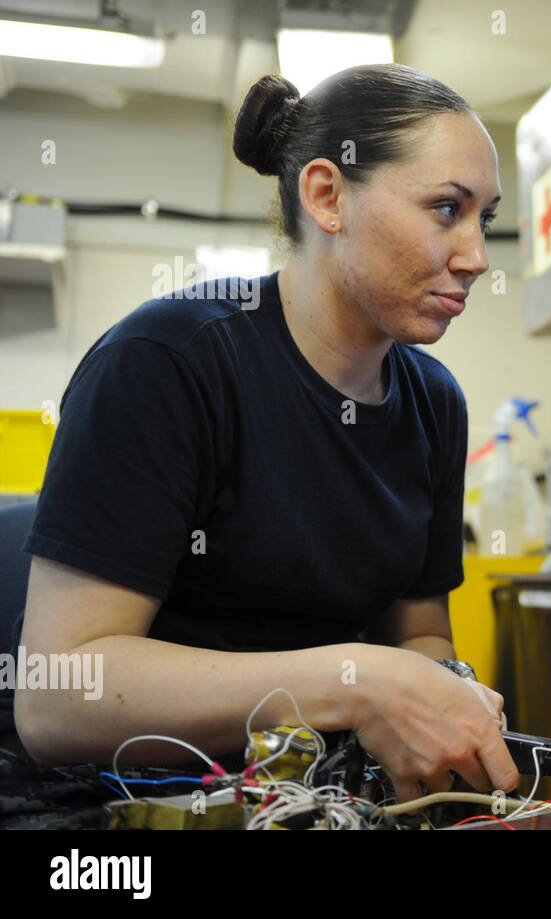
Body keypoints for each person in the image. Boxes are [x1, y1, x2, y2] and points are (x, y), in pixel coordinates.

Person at [12, 63, 519, 804]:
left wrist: (443, 690)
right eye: (447, 208)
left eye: (487, 219)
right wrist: (359, 683)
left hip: (317, 793)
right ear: (327, 196)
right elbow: (56, 701)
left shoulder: (434, 402)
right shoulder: (169, 363)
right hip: (129, 796)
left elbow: (418, 635)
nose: (476, 256)